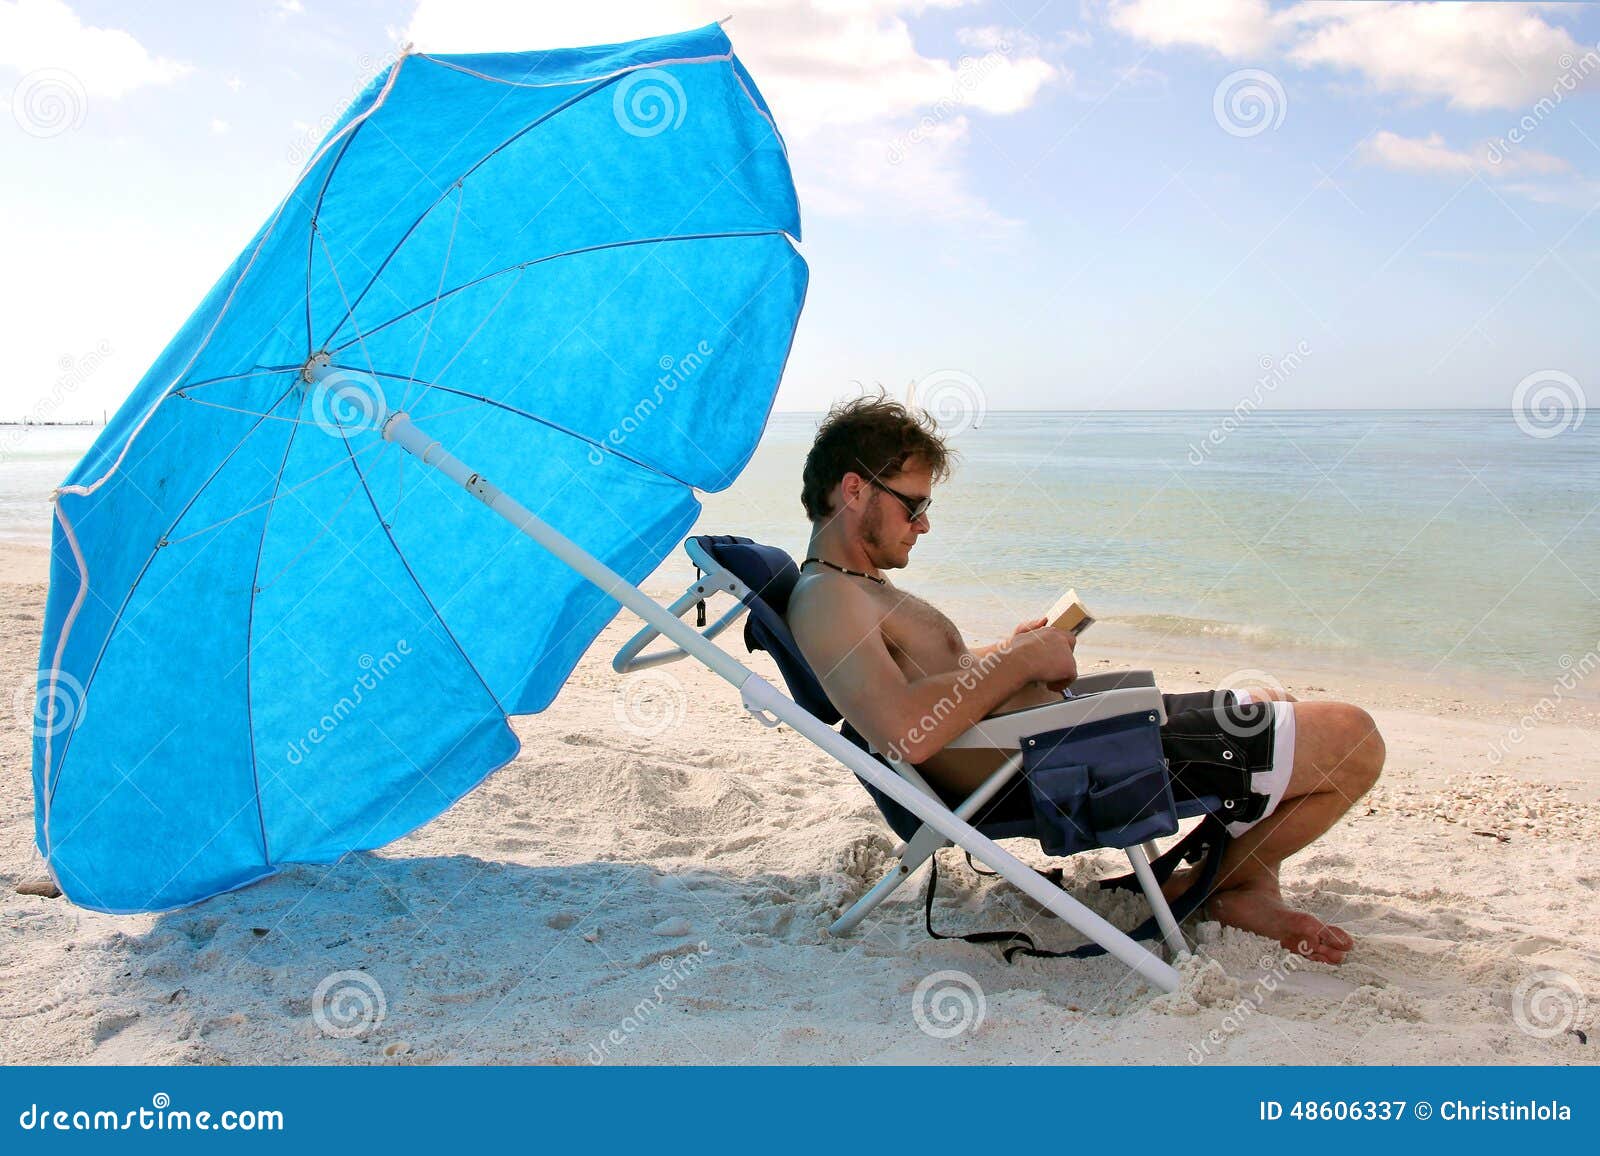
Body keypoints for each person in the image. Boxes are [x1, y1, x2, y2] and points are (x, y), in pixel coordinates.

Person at [786, 395, 1385, 964]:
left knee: (1271, 699)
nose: (923, 525)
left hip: (1061, 741)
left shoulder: (855, 587)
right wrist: (1021, 663)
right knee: (1354, 739)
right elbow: (904, 732)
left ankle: (1241, 884)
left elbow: (935, 688)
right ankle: (1224, 887)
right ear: (855, 489)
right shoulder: (828, 599)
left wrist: (1009, 650)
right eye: (913, 505)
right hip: (1058, 767)